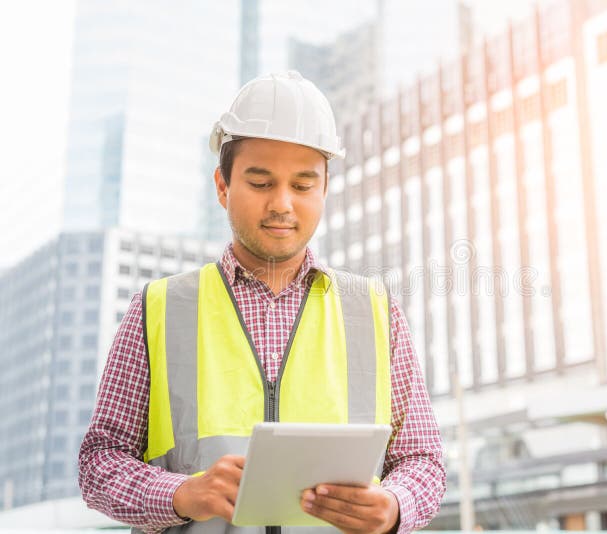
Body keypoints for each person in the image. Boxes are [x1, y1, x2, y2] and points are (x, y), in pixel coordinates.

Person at [78, 71, 446, 534]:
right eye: (260, 182)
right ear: (222, 186)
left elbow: (423, 460)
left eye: (303, 184)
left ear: (325, 189)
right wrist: (180, 494)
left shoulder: (374, 309)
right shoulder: (158, 308)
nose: (283, 204)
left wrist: (394, 505)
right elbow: (99, 462)